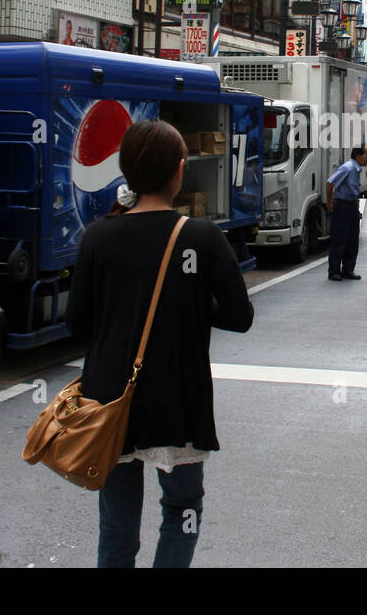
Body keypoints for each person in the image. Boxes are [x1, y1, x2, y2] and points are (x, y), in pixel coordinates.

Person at [69, 119, 255, 568]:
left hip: (111, 399)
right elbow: (239, 317)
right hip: (179, 399)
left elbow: (78, 323)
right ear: (178, 171)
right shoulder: (201, 237)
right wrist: (188, 305)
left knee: (116, 525)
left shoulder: (98, 236)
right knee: (182, 509)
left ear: (128, 172)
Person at [325, 146, 367, 281]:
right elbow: (330, 183)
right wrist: (329, 203)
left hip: (351, 205)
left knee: (353, 239)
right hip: (343, 205)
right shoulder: (348, 168)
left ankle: (348, 269)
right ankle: (334, 271)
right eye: (366, 155)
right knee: (340, 238)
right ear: (357, 155)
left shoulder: (356, 169)